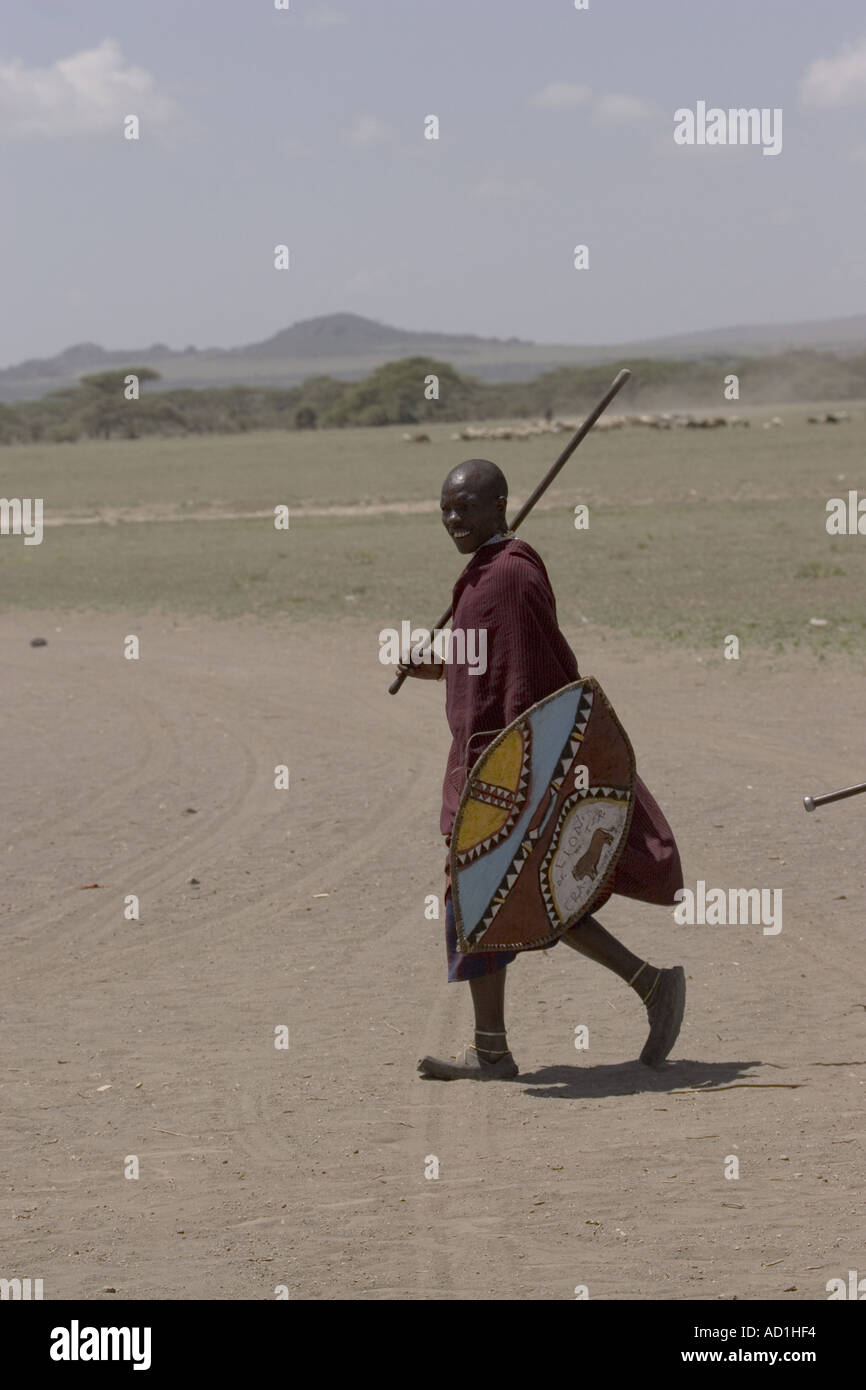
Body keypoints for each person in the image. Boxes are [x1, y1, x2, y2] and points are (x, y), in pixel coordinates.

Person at [401, 458, 686, 1080]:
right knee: (510, 893)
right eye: (446, 510)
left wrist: (512, 773)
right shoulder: (484, 573)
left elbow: (529, 678)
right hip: (492, 765)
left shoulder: (510, 574)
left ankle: (511, 1043)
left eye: (466, 508)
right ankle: (504, 1045)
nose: (453, 520)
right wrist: (446, 664)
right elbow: (492, 661)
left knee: (498, 891)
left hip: (511, 767)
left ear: (499, 505)